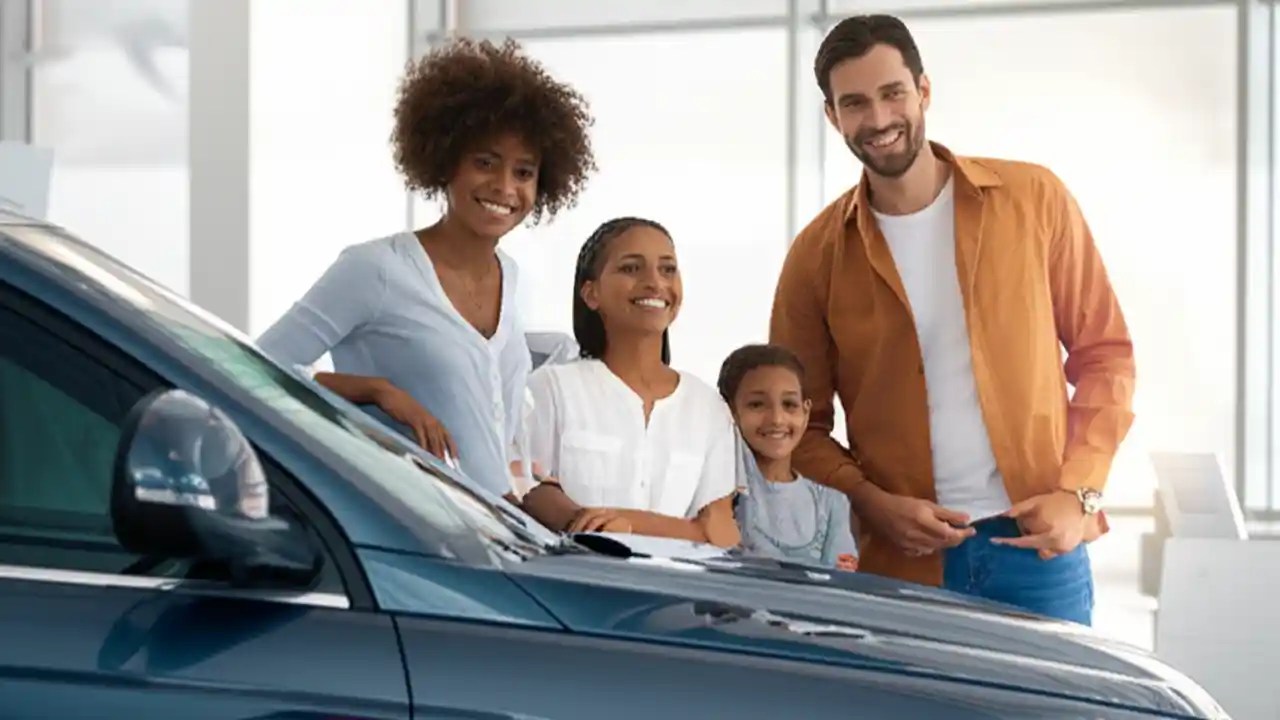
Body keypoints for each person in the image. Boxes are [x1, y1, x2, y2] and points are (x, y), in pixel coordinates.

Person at [769, 15, 1135, 625]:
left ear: (924, 91)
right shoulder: (816, 256)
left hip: (1038, 550)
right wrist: (868, 500)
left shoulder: (1033, 199)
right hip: (900, 561)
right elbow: (795, 421)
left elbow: (1106, 356)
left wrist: (1080, 494)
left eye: (893, 94)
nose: (879, 119)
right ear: (833, 117)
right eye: (855, 103)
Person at [257, 38, 596, 499]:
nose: (504, 187)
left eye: (523, 172)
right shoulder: (376, 269)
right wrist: (375, 391)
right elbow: (257, 369)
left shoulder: (511, 277)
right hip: (407, 526)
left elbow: (495, 432)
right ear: (444, 161)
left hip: (496, 527)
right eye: (485, 163)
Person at [517, 218, 740, 547]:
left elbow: (719, 531)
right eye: (631, 268)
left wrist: (628, 524)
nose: (654, 282)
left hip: (676, 592)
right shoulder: (551, 388)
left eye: (667, 269)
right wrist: (586, 524)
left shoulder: (708, 407)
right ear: (591, 294)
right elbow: (528, 488)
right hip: (573, 583)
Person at [717, 344, 858, 570]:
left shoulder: (832, 504)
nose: (777, 419)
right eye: (757, 404)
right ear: (730, 411)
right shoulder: (718, 494)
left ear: (806, 412)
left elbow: (840, 587)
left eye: (789, 405)